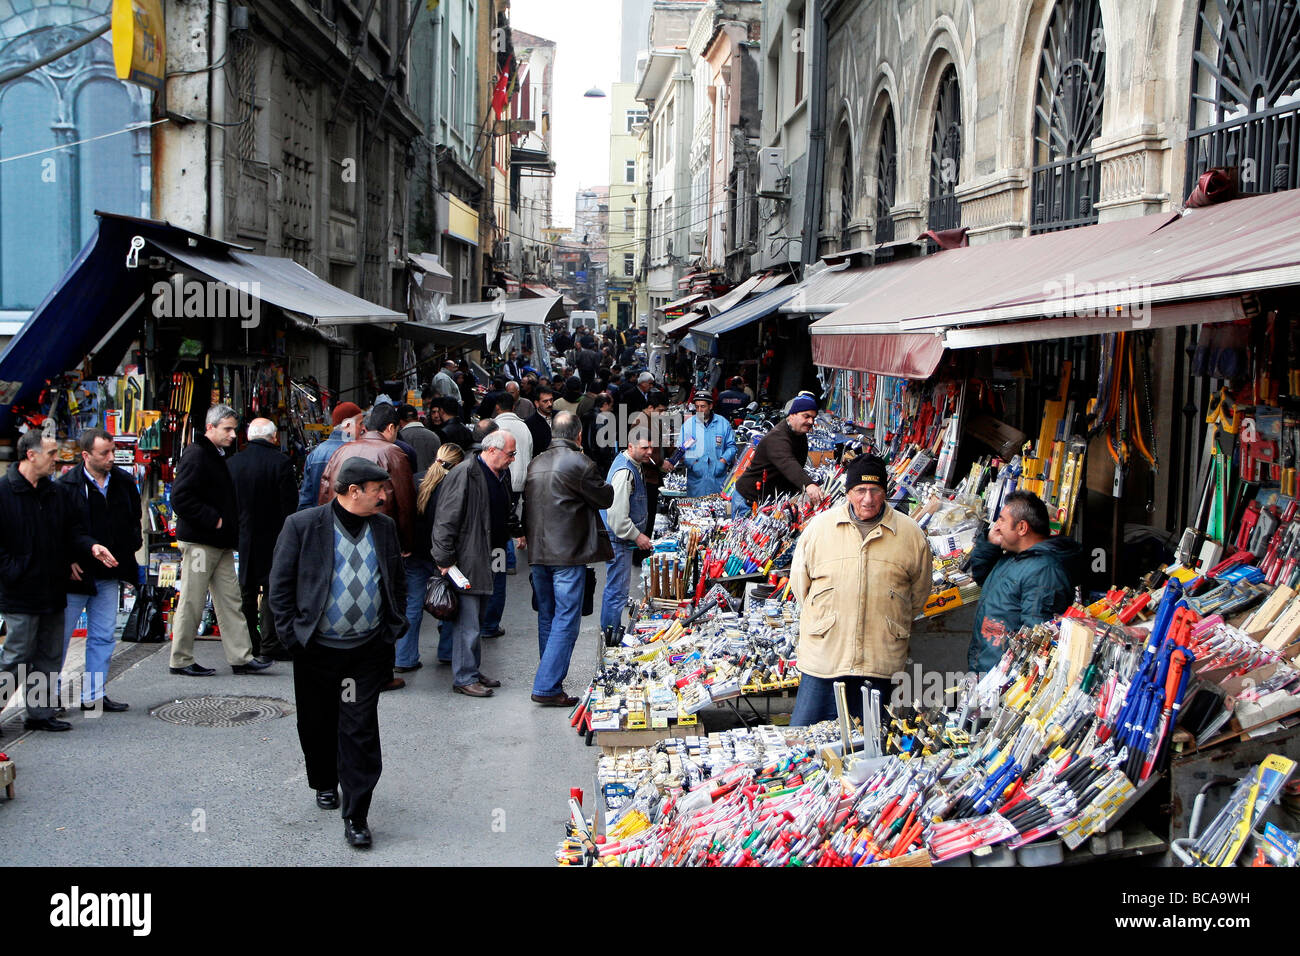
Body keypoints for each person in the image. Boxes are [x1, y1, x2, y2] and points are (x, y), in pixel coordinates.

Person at [269, 458, 408, 849]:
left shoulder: (384, 528)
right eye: (377, 489)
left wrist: (392, 630)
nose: (384, 495)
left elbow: (395, 582)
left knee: (360, 731)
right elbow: (279, 586)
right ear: (352, 492)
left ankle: (357, 815)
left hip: (365, 652)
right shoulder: (303, 526)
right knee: (317, 723)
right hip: (316, 650)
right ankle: (324, 781)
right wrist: (292, 638)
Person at [788, 456, 932, 726]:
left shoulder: (911, 534)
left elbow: (919, 594)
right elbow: (800, 587)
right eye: (860, 491)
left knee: (869, 749)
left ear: (885, 493)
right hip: (825, 656)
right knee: (805, 745)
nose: (868, 499)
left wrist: (888, 618)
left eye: (875, 490)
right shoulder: (819, 529)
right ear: (848, 492)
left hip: (879, 658)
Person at [0, 431, 116, 732]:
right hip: (20, 591)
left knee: (48, 655)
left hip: (53, 588)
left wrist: (90, 547)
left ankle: (39, 713)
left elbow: (72, 532)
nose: (57, 459)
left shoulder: (55, 493)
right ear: (31, 455)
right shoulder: (4, 492)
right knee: (16, 656)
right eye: (51, 454)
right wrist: (13, 570)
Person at [167, 406, 272, 676]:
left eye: (234, 429)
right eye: (227, 428)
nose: (233, 434)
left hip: (218, 542)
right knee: (192, 599)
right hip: (203, 541)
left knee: (230, 600)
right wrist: (213, 519)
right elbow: (179, 497)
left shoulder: (213, 454)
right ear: (210, 427)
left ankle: (241, 657)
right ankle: (180, 658)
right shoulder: (198, 454)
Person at [524, 411, 615, 706]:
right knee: (565, 619)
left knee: (549, 617)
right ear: (578, 436)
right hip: (567, 555)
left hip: (540, 554)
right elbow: (606, 497)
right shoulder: (579, 462)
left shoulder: (536, 462)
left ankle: (549, 676)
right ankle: (548, 685)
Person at [429, 429, 521, 698]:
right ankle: (464, 676)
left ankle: (471, 669)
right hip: (467, 558)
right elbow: (445, 519)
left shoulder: (500, 473)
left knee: (477, 619)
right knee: (467, 622)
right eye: (510, 454)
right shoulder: (465, 473)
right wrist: (444, 559)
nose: (513, 459)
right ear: (491, 450)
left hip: (489, 555)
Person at [57, 427, 141, 713]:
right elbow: (59, 529)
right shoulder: (66, 485)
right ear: (85, 455)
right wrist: (68, 560)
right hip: (76, 574)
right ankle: (52, 698)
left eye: (113, 451)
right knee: (61, 637)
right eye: (104, 453)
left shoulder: (123, 481)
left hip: (108, 572)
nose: (111, 457)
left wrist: (128, 551)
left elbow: (133, 519)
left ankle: (94, 695)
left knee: (103, 636)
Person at [967, 490, 1080, 673]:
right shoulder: (1014, 556)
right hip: (986, 666)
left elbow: (1036, 639)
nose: (997, 526)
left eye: (1002, 520)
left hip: (1002, 677)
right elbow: (981, 576)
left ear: (1022, 528)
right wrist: (989, 543)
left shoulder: (1044, 572)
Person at [227, 418, 298, 662]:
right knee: (272, 589)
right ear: (273, 437)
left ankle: (248, 643)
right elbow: (290, 505)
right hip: (274, 535)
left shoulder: (233, 463)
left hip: (243, 536)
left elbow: (228, 504)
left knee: (245, 590)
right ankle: (271, 641)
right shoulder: (281, 463)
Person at [396, 442, 465, 674]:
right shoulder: (454, 484)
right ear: (457, 464)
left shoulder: (415, 480)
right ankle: (446, 650)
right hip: (443, 553)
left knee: (412, 605)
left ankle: (404, 656)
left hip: (415, 550)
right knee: (447, 602)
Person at [318, 403, 417, 556]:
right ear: (391, 428)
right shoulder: (393, 452)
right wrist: (407, 544)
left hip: (339, 532)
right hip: (378, 536)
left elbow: (325, 492)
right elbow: (406, 503)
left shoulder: (342, 450)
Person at [600, 429, 654, 634]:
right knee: (617, 591)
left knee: (617, 589)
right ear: (630, 446)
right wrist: (637, 535)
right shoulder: (625, 472)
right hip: (619, 541)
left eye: (651, 447)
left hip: (621, 540)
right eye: (644, 448)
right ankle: (610, 633)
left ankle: (610, 629)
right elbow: (617, 519)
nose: (650, 451)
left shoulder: (634, 464)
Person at [735, 394, 823, 508]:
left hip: (768, 501)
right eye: (806, 416)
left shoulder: (799, 435)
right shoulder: (777, 437)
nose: (811, 421)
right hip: (748, 500)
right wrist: (808, 484)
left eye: (813, 417)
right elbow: (787, 462)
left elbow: (797, 465)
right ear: (792, 415)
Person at [298, 402, 363, 511]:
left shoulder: (315, 454)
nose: (363, 429)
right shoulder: (356, 452)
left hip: (319, 520)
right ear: (347, 426)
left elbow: (305, 499)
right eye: (360, 424)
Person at [630, 392, 672, 533]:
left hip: (652, 476)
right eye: (660, 411)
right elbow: (641, 452)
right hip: (645, 477)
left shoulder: (653, 420)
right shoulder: (641, 422)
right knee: (645, 517)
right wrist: (661, 463)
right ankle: (641, 550)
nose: (662, 414)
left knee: (650, 516)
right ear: (650, 407)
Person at [679, 394, 736, 497]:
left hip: (717, 479)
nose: (699, 410)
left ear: (711, 406)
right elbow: (681, 450)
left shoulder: (723, 423)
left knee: (717, 510)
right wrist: (693, 463)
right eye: (697, 407)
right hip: (697, 481)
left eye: (703, 406)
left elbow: (731, 447)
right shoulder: (688, 425)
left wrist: (722, 461)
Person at [397, 403, 441, 472]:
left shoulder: (399, 438)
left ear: (400, 422)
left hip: (410, 480)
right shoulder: (434, 436)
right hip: (432, 480)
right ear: (418, 418)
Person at [583, 392, 618, 478]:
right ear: (605, 404)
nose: (611, 409)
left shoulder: (584, 416)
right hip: (599, 465)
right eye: (611, 406)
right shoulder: (604, 420)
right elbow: (603, 447)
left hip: (585, 461)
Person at [525, 385, 554, 455]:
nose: (550, 404)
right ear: (537, 403)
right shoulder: (529, 424)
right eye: (545, 401)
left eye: (551, 400)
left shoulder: (560, 416)